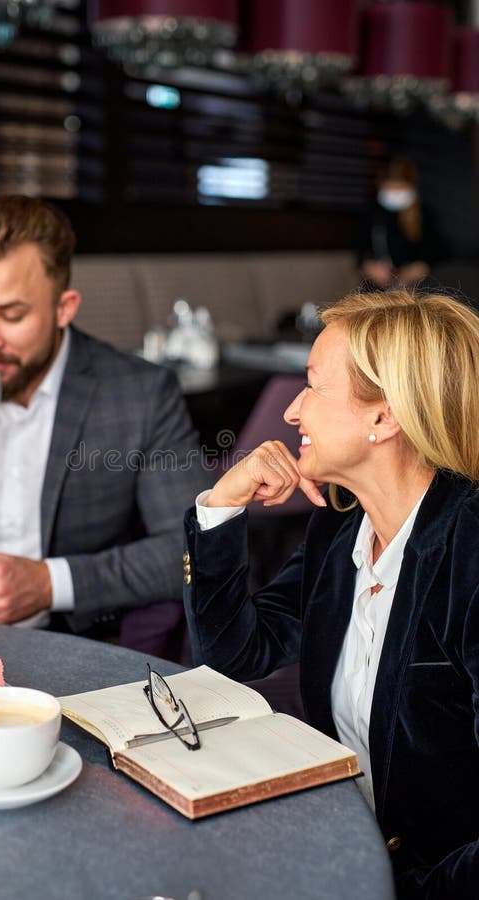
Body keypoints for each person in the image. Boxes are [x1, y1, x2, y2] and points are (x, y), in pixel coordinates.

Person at [182, 289, 479, 898]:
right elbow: (236, 654)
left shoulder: (470, 549)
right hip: (332, 843)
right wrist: (222, 507)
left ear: (383, 417)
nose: (291, 411)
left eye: (313, 386)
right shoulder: (343, 523)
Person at [0, 194, 206, 652]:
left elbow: (193, 549)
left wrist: (50, 583)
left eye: (12, 315)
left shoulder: (140, 394)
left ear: (64, 307)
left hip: (69, 647)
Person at [358, 158, 440, 291]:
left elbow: (436, 251)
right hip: (378, 291)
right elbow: (361, 252)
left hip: (415, 290)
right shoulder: (372, 213)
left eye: (400, 186)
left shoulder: (424, 214)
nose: (395, 191)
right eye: (390, 185)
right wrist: (369, 267)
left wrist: (420, 268)